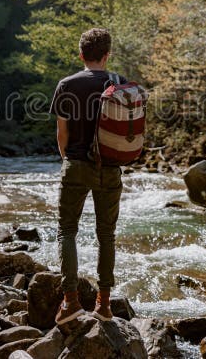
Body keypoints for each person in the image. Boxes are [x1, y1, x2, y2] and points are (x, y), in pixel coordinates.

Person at [49, 28, 124, 325]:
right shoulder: (117, 83)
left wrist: (67, 159)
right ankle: (104, 306)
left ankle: (71, 303)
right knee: (106, 234)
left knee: (67, 230)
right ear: (107, 56)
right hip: (110, 167)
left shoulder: (66, 85)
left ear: (81, 55)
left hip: (76, 163)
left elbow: (62, 133)